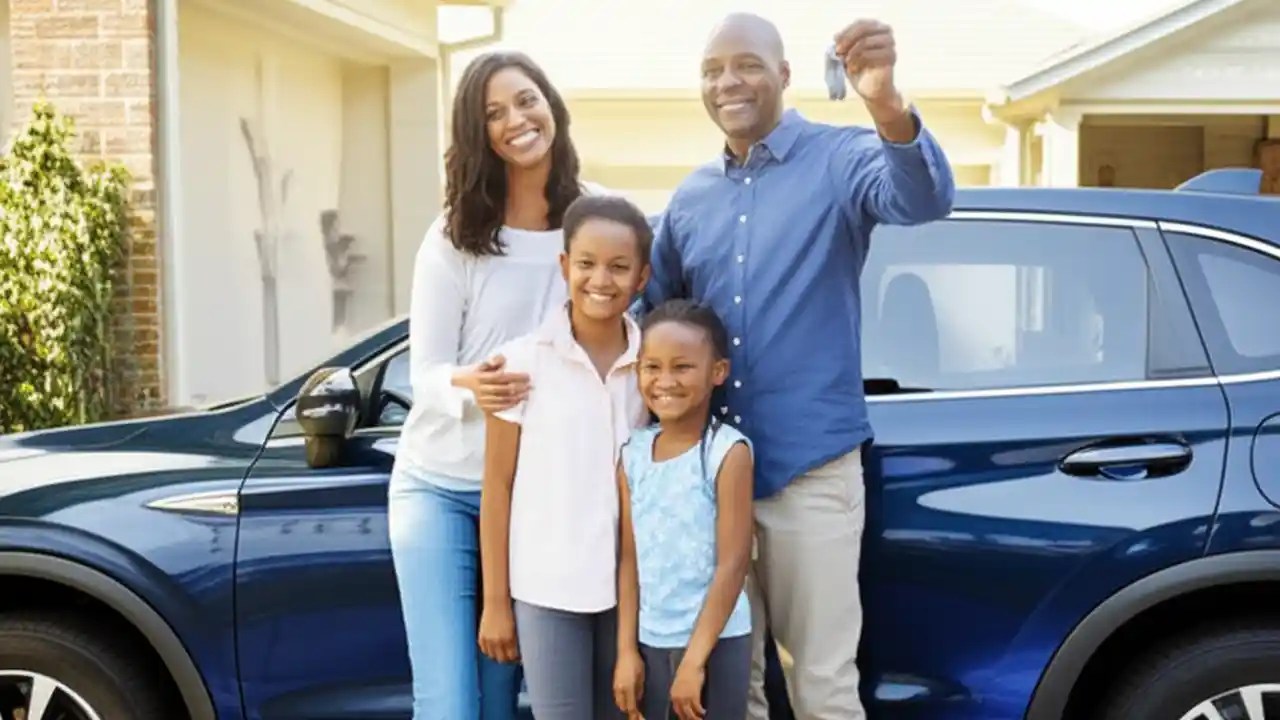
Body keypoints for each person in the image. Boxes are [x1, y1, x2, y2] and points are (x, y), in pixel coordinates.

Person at [640, 13, 957, 720]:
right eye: (712, 69)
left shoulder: (841, 158)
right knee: (730, 692)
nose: (728, 81)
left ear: (784, 75)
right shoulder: (690, 201)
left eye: (747, 64)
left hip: (810, 474)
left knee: (821, 687)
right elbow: (652, 324)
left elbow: (924, 196)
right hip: (711, 484)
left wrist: (883, 100)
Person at [387, 49, 600, 720]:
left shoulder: (591, 220)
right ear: (479, 135)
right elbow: (423, 373)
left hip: (533, 499)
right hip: (440, 487)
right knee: (451, 703)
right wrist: (467, 386)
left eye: (527, 100)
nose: (516, 120)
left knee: (502, 698)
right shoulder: (455, 235)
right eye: (494, 113)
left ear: (552, 105)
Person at [476, 194, 654, 720]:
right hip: (547, 589)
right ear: (564, 267)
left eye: (620, 267)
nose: (602, 279)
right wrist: (496, 602)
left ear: (642, 278)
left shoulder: (653, 366)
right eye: (587, 264)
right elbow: (497, 485)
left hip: (633, 592)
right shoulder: (520, 363)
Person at [613, 299, 755, 720]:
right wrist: (625, 652)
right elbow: (629, 559)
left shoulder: (727, 453)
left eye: (682, 367)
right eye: (652, 366)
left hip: (716, 644)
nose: (665, 381)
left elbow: (733, 563)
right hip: (651, 642)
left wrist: (694, 662)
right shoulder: (633, 454)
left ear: (718, 373)